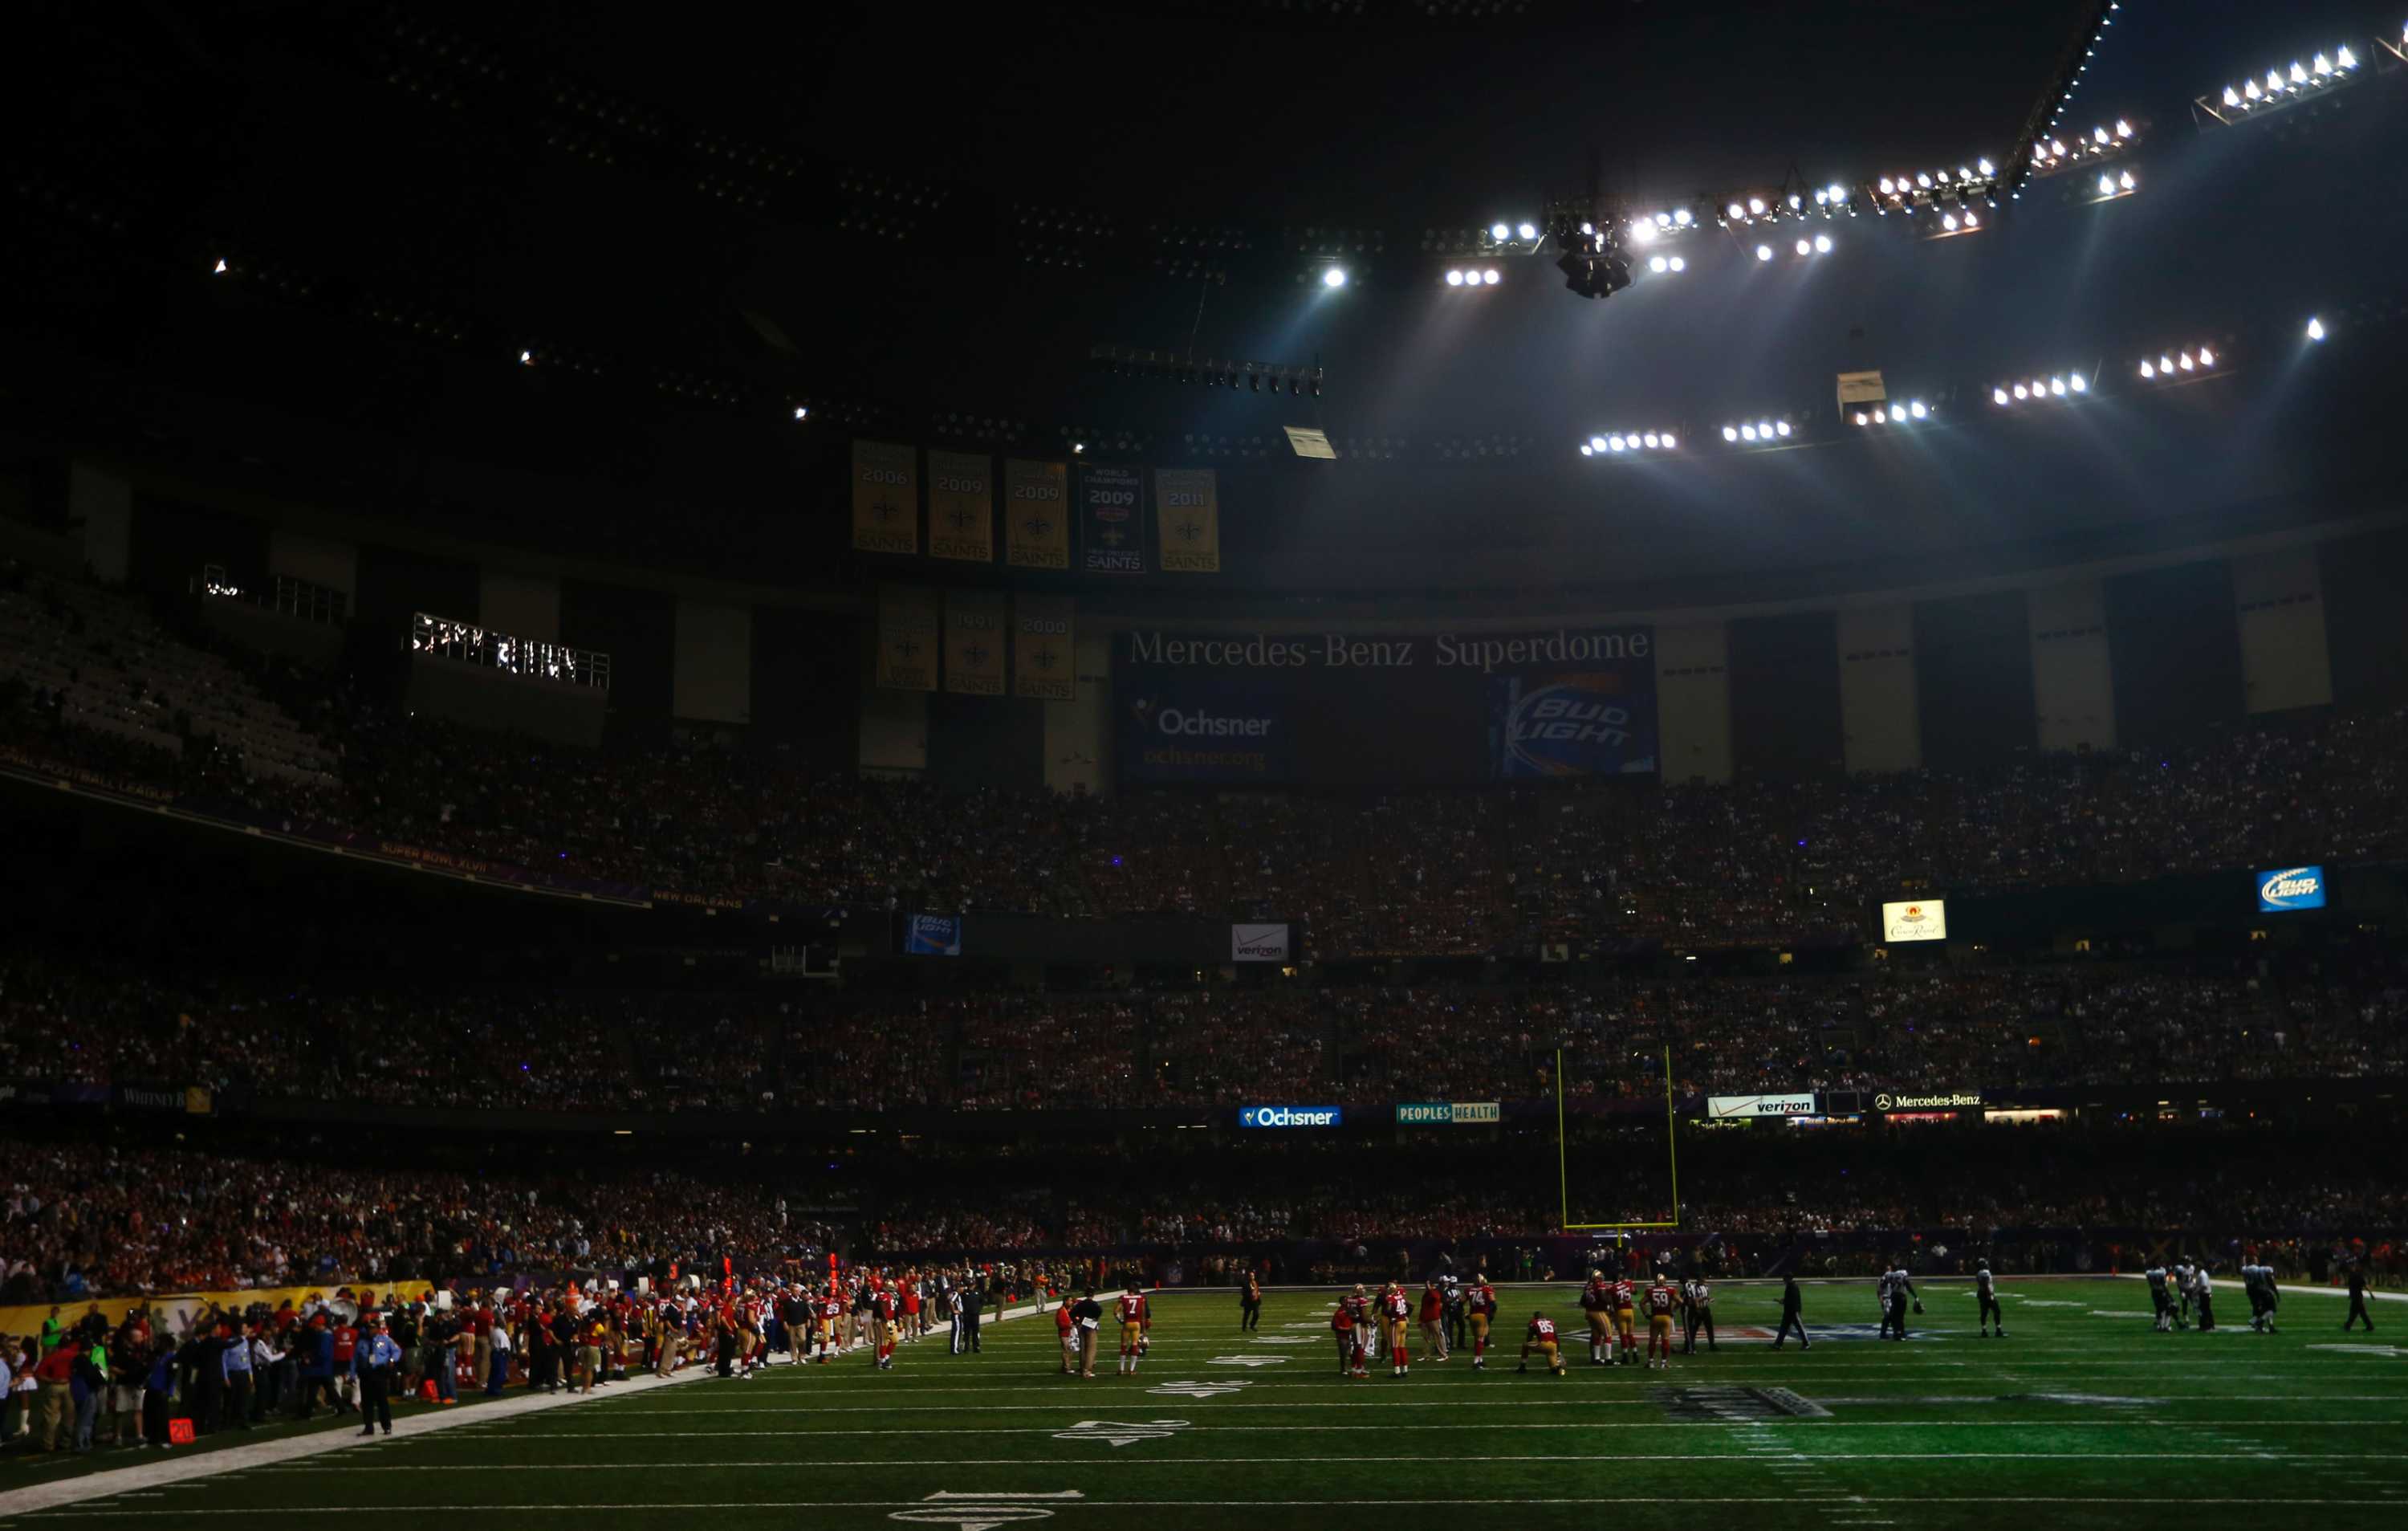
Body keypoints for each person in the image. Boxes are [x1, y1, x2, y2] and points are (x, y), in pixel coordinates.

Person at [352, 1317, 403, 1437]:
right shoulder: (361, 1342)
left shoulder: (386, 1340)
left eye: (373, 1328)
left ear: (378, 1329)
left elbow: (397, 1351)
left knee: (382, 1401)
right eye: (369, 1328)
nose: (371, 1331)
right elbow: (355, 1359)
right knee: (367, 1402)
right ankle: (368, 1427)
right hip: (366, 1374)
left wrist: (392, 1360)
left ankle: (387, 1426)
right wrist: (353, 1374)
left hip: (379, 1373)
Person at [1380, 1281, 1414, 1378]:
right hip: (1403, 1322)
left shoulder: (1390, 1298)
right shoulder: (1401, 1296)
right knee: (1402, 1347)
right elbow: (1411, 1305)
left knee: (1395, 1347)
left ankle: (1397, 1371)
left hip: (1396, 1323)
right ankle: (1405, 1370)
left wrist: (1392, 1316)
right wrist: (1406, 1315)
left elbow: (1388, 1310)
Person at [1515, 1311, 1566, 1377]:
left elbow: (1529, 1338)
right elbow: (1556, 1337)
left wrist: (1531, 1344)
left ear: (1535, 1317)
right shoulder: (1551, 1321)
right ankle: (1557, 1369)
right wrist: (1558, 1352)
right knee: (1553, 1369)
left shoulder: (1534, 1322)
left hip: (1543, 1345)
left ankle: (1522, 1367)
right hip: (1553, 1346)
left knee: (1525, 1345)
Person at [1113, 1290, 1150, 1376]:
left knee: (1123, 1346)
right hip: (1136, 1324)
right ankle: (1132, 1370)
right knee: (1135, 1345)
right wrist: (1144, 1329)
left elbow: (1115, 1312)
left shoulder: (1123, 1298)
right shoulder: (1141, 1298)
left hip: (1127, 1323)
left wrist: (1120, 1320)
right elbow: (1143, 1315)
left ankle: (1121, 1369)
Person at [1580, 1268, 1613, 1366]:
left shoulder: (1588, 1287)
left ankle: (1597, 1358)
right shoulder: (1600, 1286)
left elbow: (1582, 1302)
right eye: (1600, 1276)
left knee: (1596, 1336)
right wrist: (1610, 1301)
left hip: (1589, 1312)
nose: (1602, 1278)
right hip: (1598, 1312)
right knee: (1608, 1334)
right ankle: (1608, 1358)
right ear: (1596, 1278)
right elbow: (1603, 1297)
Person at [1068, 1289, 1103, 1379]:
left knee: (1083, 1348)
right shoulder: (1095, 1304)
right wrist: (1095, 1319)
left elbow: (1071, 1313)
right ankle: (1087, 1370)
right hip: (1090, 1325)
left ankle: (1082, 1368)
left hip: (1081, 1325)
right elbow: (1099, 1311)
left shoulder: (1081, 1304)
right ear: (1093, 1295)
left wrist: (1076, 1322)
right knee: (1091, 1349)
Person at [1772, 1272, 1810, 1350]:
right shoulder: (1791, 1286)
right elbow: (1790, 1298)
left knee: (1799, 1328)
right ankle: (1778, 1344)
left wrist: (1783, 1301)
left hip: (1793, 1311)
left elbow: (1792, 1300)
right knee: (1783, 1328)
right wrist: (1783, 1300)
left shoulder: (1792, 1286)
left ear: (1788, 1278)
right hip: (1789, 1311)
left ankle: (1806, 1343)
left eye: (1784, 1278)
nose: (1783, 1280)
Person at [1466, 1277, 1497, 1370]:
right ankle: (1476, 1362)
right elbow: (1493, 1303)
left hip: (1472, 1316)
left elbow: (1460, 1302)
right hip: (1482, 1316)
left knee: (1477, 1339)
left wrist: (1466, 1314)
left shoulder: (1468, 1290)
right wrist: (1490, 1314)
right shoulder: (1487, 1289)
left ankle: (1480, 1359)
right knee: (1480, 1339)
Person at [1418, 1277, 1448, 1363]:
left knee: (1437, 1337)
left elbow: (1436, 1298)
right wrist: (1420, 1319)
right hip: (1425, 1319)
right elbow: (1423, 1307)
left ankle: (1444, 1355)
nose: (1426, 1286)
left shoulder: (1435, 1292)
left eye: (1427, 1285)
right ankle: (1426, 1355)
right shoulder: (1426, 1294)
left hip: (1434, 1319)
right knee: (1425, 1338)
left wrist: (1430, 1289)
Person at [1975, 1260, 2006, 1338]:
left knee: (1984, 1313)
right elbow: (1986, 1283)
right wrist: (1990, 1294)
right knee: (1997, 1311)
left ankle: (1984, 1331)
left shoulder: (1979, 1273)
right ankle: (1998, 1330)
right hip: (1987, 1295)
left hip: (1982, 1295)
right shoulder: (1985, 1272)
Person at [2345, 1261, 2377, 1332]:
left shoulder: (2353, 1276)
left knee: (2355, 1312)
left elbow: (2353, 1286)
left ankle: (2348, 1326)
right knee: (2359, 1312)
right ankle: (2369, 1326)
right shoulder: (2357, 1276)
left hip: (2356, 1296)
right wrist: (2371, 1294)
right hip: (2357, 1296)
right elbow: (2365, 1286)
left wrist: (2371, 1294)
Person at [2146, 1260, 2175, 1333]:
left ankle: (2160, 1326)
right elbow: (2163, 1284)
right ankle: (2165, 1326)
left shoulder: (2148, 1272)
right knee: (2168, 1308)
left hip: (2154, 1292)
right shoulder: (2161, 1272)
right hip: (2162, 1291)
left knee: (2159, 1309)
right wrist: (2169, 1295)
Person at [959, 1282, 983, 1354]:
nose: (971, 1286)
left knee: (976, 1332)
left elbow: (982, 1301)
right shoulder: (964, 1293)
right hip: (967, 1315)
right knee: (966, 1332)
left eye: (972, 1285)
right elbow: (961, 1302)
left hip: (975, 1315)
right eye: (970, 1285)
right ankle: (966, 1347)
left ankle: (976, 1347)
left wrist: (978, 1309)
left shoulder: (978, 1292)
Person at [1239, 1270, 1263, 1334]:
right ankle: (1244, 1328)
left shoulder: (1255, 1282)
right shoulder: (1245, 1283)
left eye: (1253, 1276)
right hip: (1248, 1302)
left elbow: (1257, 1290)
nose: (1252, 1277)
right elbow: (1243, 1291)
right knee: (1246, 1316)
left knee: (1256, 1314)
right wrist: (1250, 1295)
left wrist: (1258, 1293)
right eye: (1251, 1276)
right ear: (1248, 1277)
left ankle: (1252, 1325)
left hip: (1255, 1301)